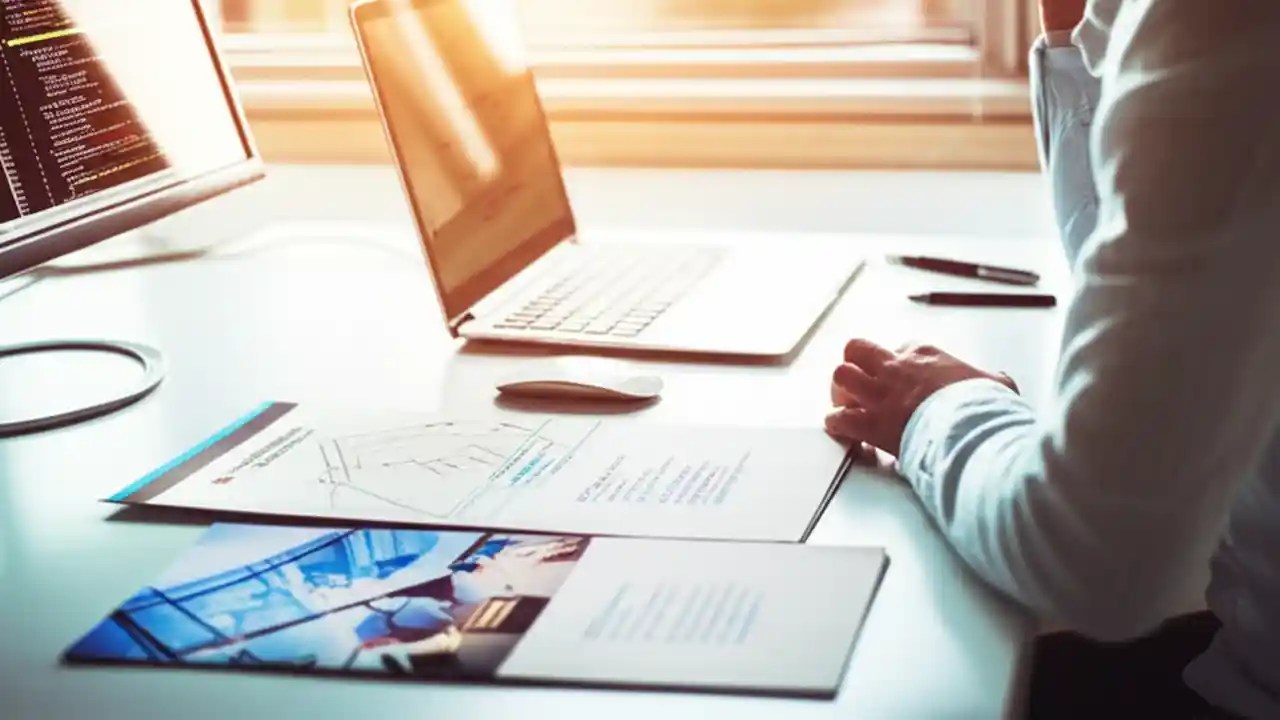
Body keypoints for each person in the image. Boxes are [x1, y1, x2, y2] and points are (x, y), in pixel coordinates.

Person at [825, 1, 1280, 717]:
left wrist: (930, 412)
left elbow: (1093, 553)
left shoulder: (1227, 24)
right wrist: (1070, 32)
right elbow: (1151, 249)